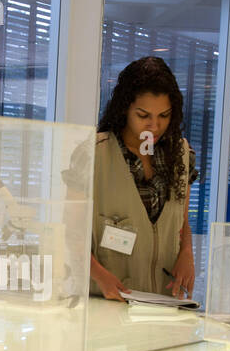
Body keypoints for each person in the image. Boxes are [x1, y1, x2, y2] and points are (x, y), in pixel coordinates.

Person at [76, 56, 198, 301]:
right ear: (125, 109)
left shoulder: (182, 154)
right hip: (108, 302)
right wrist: (100, 275)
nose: (154, 126)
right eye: (143, 115)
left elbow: (181, 222)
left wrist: (186, 253)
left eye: (164, 115)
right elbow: (69, 234)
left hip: (162, 304)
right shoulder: (92, 155)